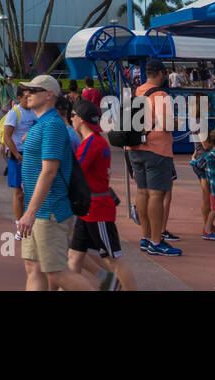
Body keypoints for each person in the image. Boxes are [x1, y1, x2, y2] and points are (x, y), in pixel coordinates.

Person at [16, 75, 85, 291]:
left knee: (56, 272)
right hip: (39, 211)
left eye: (33, 90)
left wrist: (30, 212)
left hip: (49, 210)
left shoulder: (52, 126)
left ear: (49, 95)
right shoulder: (40, 124)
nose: (27, 94)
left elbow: (49, 171)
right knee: (33, 266)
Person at [68, 99, 136, 291]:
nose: (71, 119)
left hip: (97, 209)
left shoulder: (92, 143)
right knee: (74, 256)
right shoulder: (95, 141)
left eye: (73, 116)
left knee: (113, 259)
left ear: (80, 119)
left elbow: (74, 172)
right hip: (88, 207)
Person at [126, 61, 181, 256]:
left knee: (142, 192)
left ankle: (146, 237)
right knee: (157, 195)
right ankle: (157, 241)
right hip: (156, 149)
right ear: (160, 73)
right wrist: (177, 121)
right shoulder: (160, 95)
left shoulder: (136, 92)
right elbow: (166, 124)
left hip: (134, 147)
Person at [2, 86, 37, 224]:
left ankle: (27, 220)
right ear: (20, 98)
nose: (30, 99)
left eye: (31, 96)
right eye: (27, 96)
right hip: (18, 155)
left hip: (32, 155)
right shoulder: (14, 113)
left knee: (31, 191)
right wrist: (17, 155)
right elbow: (6, 136)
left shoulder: (34, 111)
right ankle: (18, 223)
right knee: (19, 193)